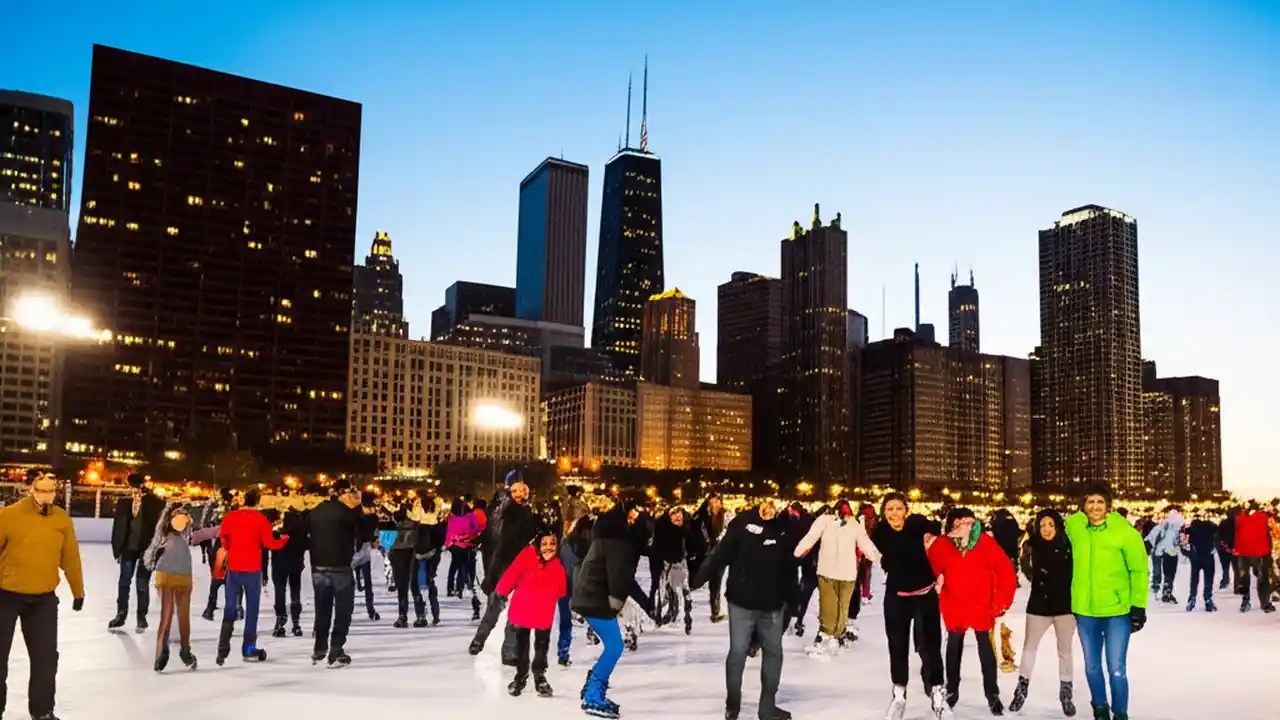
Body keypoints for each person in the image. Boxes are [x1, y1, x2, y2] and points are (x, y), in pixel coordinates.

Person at [692, 498, 795, 720]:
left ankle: (767, 708)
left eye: (774, 505)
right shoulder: (742, 523)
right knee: (738, 652)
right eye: (765, 503)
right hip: (741, 602)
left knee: (774, 653)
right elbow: (721, 554)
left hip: (772, 605)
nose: (769, 509)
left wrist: (793, 601)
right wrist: (699, 578)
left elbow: (789, 568)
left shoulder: (783, 529)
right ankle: (733, 705)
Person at [0, 473, 84, 720]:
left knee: (46, 659)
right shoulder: (9, 516)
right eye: (42, 490)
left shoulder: (61, 520)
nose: (46, 496)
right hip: (6, 596)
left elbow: (70, 556)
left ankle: (43, 710)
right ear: (31, 490)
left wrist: (77, 590)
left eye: (51, 491)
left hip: (43, 599)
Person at [1064, 485, 1148, 720]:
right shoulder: (1076, 529)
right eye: (1090, 502)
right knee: (1092, 667)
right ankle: (1100, 708)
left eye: (1100, 502)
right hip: (1085, 610)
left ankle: (1120, 713)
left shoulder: (1124, 532)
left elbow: (1139, 570)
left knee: (1117, 669)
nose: (1095, 507)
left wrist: (1138, 605)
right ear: (1083, 506)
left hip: (1116, 611)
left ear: (1108, 506)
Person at [926, 508, 1016, 715]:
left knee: (985, 649)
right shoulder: (942, 544)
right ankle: (952, 690)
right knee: (953, 647)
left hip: (981, 605)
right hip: (954, 604)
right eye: (958, 522)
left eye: (968, 521)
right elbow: (929, 568)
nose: (963, 526)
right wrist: (936, 581)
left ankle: (992, 693)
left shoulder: (984, 542)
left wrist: (1002, 601)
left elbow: (1005, 571)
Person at [871, 492, 947, 720]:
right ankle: (899, 692)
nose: (894, 513)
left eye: (898, 508)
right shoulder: (881, 533)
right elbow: (879, 554)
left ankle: (936, 689)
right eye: (889, 509)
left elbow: (938, 530)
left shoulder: (916, 523)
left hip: (925, 595)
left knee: (931, 644)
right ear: (884, 513)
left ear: (906, 509)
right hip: (897, 596)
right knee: (897, 644)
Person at [1009, 509, 1077, 716]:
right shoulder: (1032, 546)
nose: (1046, 529)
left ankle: (1066, 693)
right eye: (1042, 525)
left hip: (1065, 606)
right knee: (1029, 647)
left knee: (1064, 651)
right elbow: (1025, 566)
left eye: (1050, 525)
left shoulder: (1069, 546)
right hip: (1039, 606)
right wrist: (1038, 580)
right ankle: (1021, 689)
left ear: (1057, 526)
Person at [572, 500, 635, 719]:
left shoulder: (601, 541)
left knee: (613, 646)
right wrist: (615, 603)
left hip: (587, 598)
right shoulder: (617, 544)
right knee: (615, 647)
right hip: (595, 601)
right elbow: (617, 577)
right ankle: (592, 694)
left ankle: (593, 688)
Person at [793, 498, 881, 655]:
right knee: (828, 605)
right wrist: (800, 550)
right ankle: (826, 633)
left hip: (847, 573)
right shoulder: (825, 521)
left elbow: (864, 542)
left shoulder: (854, 525)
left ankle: (836, 633)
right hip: (827, 571)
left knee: (842, 606)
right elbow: (811, 536)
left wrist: (876, 556)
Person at [142, 502, 221, 671]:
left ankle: (161, 653)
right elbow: (204, 533)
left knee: (167, 616)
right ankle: (185, 651)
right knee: (182, 616)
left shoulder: (162, 532)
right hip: (182, 575)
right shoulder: (185, 529)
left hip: (167, 575)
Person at [215, 489, 289, 665]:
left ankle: (222, 647)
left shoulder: (230, 517)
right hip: (252, 568)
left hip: (234, 567)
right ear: (257, 502)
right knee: (252, 610)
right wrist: (285, 538)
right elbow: (270, 543)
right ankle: (248, 648)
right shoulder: (260, 519)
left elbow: (224, 541)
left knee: (230, 606)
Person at [471, 476, 541, 655]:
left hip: (505, 564)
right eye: (522, 493)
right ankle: (505, 649)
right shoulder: (518, 515)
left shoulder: (501, 512)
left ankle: (483, 642)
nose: (525, 496)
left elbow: (492, 536)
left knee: (500, 606)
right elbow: (507, 541)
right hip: (509, 565)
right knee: (505, 606)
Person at [496, 531, 567, 698]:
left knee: (542, 645)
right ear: (537, 545)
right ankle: (521, 675)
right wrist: (502, 591)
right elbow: (512, 572)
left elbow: (561, 588)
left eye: (552, 544)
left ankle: (539, 675)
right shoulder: (527, 556)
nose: (548, 548)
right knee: (522, 644)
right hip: (524, 607)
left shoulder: (557, 564)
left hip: (544, 609)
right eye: (544, 544)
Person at [307, 480, 362, 668]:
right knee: (343, 611)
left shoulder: (316, 511)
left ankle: (319, 646)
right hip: (340, 568)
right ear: (343, 493)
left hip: (319, 567)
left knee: (322, 609)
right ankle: (336, 649)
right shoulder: (348, 513)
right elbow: (362, 533)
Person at [108, 472, 165, 632]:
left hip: (146, 549)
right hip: (128, 548)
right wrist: (117, 548)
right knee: (124, 582)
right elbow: (118, 527)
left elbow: (160, 523)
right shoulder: (124, 502)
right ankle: (121, 614)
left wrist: (156, 549)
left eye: (136, 486)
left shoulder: (153, 502)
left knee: (142, 583)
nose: (134, 490)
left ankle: (141, 617)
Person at [653, 506, 695, 633]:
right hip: (669, 562)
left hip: (680, 562)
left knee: (683, 588)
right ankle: (673, 611)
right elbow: (658, 545)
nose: (677, 518)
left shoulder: (685, 528)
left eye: (678, 516)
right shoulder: (663, 528)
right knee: (671, 589)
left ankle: (684, 612)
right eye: (674, 516)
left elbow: (691, 541)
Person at [270, 506, 309, 638]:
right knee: (295, 592)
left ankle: (280, 621)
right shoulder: (300, 531)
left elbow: (269, 545)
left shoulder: (277, 531)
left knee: (280, 593)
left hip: (279, 565)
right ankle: (296, 622)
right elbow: (306, 544)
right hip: (295, 564)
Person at [689, 493, 728, 623]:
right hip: (703, 554)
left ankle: (715, 613)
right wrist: (705, 547)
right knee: (695, 582)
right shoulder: (701, 515)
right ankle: (677, 598)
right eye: (715, 500)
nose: (718, 503)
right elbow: (697, 532)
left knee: (716, 583)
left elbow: (721, 533)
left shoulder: (721, 515)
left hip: (717, 554)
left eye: (719, 500)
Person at [388, 505, 427, 628]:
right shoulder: (415, 526)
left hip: (397, 555)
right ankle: (420, 615)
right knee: (414, 585)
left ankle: (402, 616)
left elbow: (385, 544)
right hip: (411, 554)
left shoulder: (392, 527)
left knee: (402, 588)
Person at [1234, 501, 1275, 613]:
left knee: (1244, 578)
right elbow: (1269, 532)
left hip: (1243, 552)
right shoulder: (1263, 517)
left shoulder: (1240, 518)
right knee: (1262, 579)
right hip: (1260, 553)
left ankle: (1245, 601)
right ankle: (1265, 603)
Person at [1144, 506, 1185, 604]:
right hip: (1170, 553)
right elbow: (1178, 542)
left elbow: (1148, 538)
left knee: (1166, 573)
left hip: (1163, 552)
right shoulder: (1175, 529)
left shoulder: (1162, 527)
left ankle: (1165, 591)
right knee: (1170, 573)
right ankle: (1167, 592)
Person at [1183, 511, 1219, 612]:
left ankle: (1192, 598)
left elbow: (1183, 539)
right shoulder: (1211, 527)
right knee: (1208, 579)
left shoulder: (1191, 528)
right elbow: (1218, 537)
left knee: (1194, 579)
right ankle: (1208, 599)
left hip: (1196, 557)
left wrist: (1188, 553)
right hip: (1208, 556)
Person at [354, 492, 381, 621]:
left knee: (363, 579)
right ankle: (370, 608)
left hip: (359, 549)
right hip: (361, 549)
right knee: (367, 580)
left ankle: (369, 608)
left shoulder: (356, 514)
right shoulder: (372, 516)